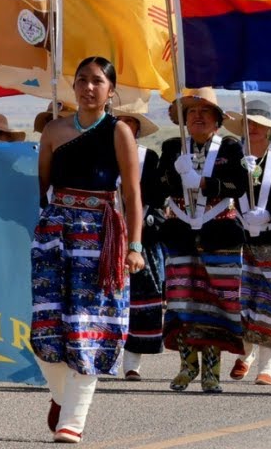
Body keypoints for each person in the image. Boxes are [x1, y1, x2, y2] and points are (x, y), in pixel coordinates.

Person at [34, 57, 144, 443]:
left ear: (111, 90)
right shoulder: (53, 130)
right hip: (55, 235)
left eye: (98, 81)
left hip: (101, 237)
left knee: (87, 326)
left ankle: (72, 420)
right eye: (81, 80)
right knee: (46, 323)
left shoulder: (119, 133)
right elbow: (41, 188)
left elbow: (132, 194)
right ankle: (62, 396)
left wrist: (135, 245)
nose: (88, 87)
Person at [158, 87, 246, 393]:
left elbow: (241, 184)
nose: (197, 117)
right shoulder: (172, 148)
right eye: (192, 112)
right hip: (180, 235)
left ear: (217, 120)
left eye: (204, 112)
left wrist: (205, 183)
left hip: (219, 235)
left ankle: (212, 371)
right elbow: (157, 188)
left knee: (216, 303)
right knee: (182, 301)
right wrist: (175, 176)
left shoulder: (230, 149)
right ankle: (187, 365)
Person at [222, 101, 271, 386]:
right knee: (243, 302)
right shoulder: (233, 159)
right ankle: (245, 352)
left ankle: (266, 366)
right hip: (241, 239)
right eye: (247, 123)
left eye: (257, 124)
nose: (252, 129)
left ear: (269, 130)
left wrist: (270, 213)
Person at [111, 104, 164, 381]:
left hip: (140, 236)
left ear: (137, 129)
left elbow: (157, 197)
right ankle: (106, 356)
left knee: (141, 301)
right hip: (105, 235)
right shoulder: (100, 156)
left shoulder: (150, 158)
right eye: (117, 121)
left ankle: (133, 363)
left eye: (128, 122)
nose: (122, 127)